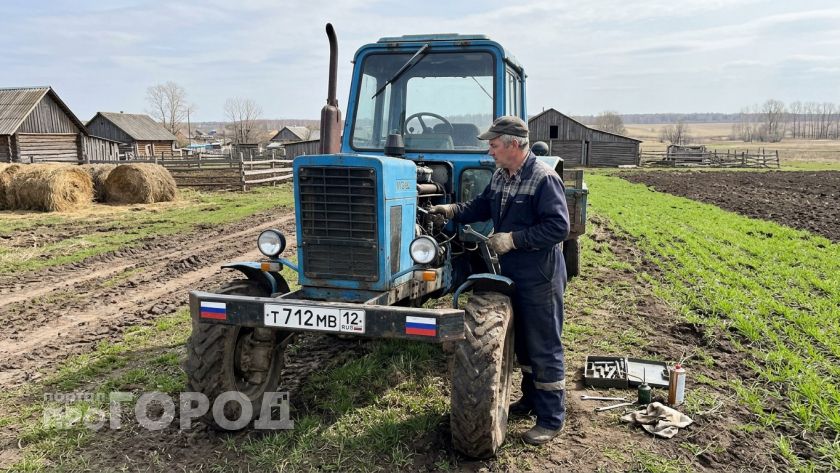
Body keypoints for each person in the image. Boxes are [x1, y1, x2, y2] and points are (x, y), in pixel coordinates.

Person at [431, 115, 570, 445]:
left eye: (493, 145)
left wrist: (513, 240)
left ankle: (552, 418)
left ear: (512, 145)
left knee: (544, 344)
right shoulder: (502, 175)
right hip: (511, 271)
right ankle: (532, 400)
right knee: (521, 341)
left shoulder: (543, 178)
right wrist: (452, 210)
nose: (490, 151)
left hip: (539, 273)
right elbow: (482, 205)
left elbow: (559, 227)